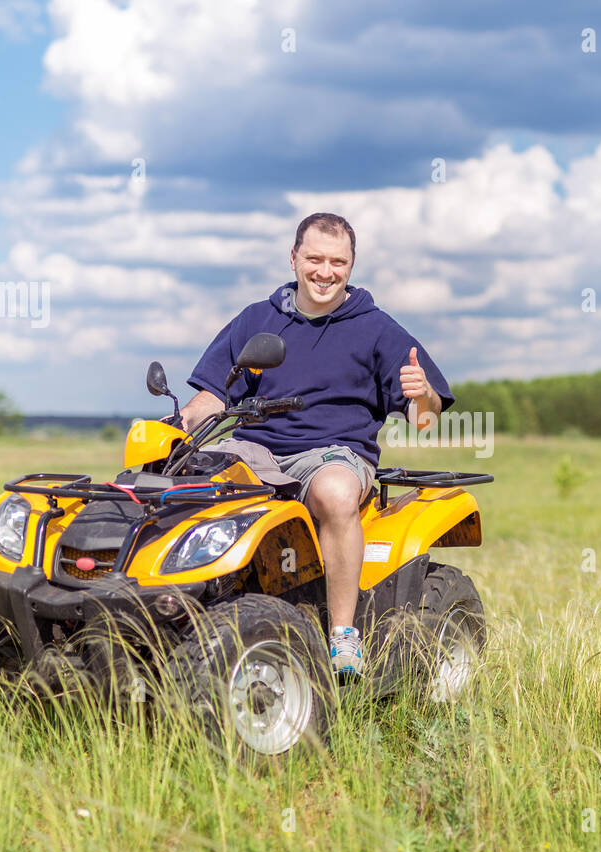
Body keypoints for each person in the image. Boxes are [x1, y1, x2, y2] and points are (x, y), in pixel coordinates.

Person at [180, 213, 454, 677]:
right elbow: (211, 395)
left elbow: (424, 420)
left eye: (337, 261)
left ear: (351, 265)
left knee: (335, 493)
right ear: (293, 258)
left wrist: (421, 393)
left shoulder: (378, 329)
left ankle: (343, 635)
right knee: (185, 477)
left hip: (334, 453)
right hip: (256, 449)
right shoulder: (257, 319)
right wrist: (181, 424)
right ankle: (181, 608)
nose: (325, 271)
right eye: (314, 259)